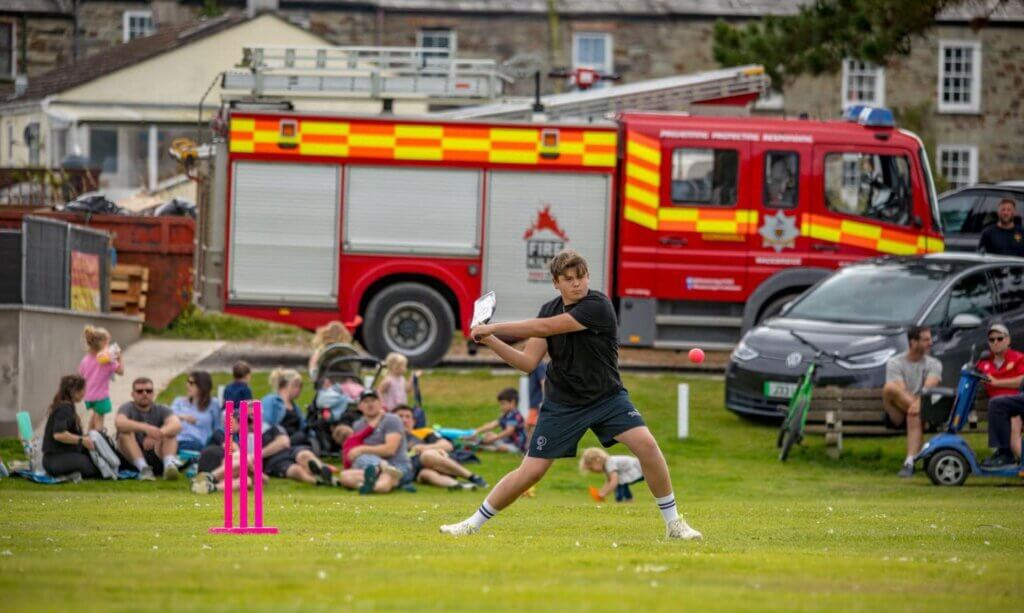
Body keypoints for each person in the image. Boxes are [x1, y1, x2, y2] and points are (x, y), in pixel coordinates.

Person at [440, 249, 702, 540]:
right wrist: (489, 339)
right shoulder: (549, 308)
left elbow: (546, 327)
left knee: (647, 446)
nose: (577, 284)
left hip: (607, 397)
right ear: (556, 283)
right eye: (568, 279)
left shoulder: (597, 305)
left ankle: (674, 524)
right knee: (530, 473)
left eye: (581, 277)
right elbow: (528, 362)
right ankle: (471, 525)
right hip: (562, 403)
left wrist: (494, 327)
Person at [882, 326, 942, 478]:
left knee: (914, 413)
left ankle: (909, 462)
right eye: (926, 339)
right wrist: (916, 404)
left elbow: (929, 386)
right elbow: (900, 391)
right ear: (913, 342)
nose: (930, 342)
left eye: (930, 338)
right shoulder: (895, 363)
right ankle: (917, 409)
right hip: (897, 413)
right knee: (889, 388)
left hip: (920, 412)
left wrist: (918, 404)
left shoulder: (934, 363)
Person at [394, 405, 487, 490]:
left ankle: (471, 476)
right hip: (416, 470)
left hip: (438, 462)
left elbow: (447, 445)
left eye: (407, 417)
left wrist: (425, 447)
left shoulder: (423, 433)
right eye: (400, 416)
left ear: (414, 421)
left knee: (427, 455)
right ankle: (461, 486)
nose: (404, 420)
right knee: (425, 474)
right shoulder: (390, 437)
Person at [340, 390, 411, 494]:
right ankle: (366, 485)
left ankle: (373, 486)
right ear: (360, 406)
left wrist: (362, 450)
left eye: (373, 400)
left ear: (380, 403)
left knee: (385, 480)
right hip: (370, 467)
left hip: (394, 466)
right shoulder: (358, 425)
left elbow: (390, 450)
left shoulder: (392, 419)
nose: (370, 404)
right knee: (345, 476)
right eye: (366, 401)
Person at [115, 377, 182, 480]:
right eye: (140, 391)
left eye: (148, 391)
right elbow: (119, 423)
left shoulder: (162, 409)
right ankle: (144, 469)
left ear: (153, 393)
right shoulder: (127, 407)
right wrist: (145, 428)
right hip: (132, 459)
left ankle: (169, 467)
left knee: (170, 433)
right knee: (125, 433)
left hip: (156, 454)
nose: (145, 394)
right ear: (133, 394)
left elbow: (177, 425)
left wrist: (157, 434)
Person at [975, 324, 1024, 461]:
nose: (995, 342)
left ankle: (1007, 455)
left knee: (1014, 440)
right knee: (998, 408)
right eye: (992, 340)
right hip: (994, 409)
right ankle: (1005, 455)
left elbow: (1022, 380)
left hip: (1015, 406)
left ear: (1008, 340)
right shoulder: (983, 363)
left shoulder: (1019, 358)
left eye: (999, 338)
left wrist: (996, 382)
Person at [42, 375, 102, 478]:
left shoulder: (65, 406)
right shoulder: (65, 408)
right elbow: (59, 434)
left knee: (99, 463)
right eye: (83, 390)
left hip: (53, 460)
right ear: (74, 391)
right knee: (99, 469)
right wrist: (82, 440)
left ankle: (71, 473)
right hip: (56, 460)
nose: (84, 393)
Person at [78, 325, 124, 433]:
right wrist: (119, 357)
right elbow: (121, 371)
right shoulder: (107, 361)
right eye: (107, 343)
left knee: (94, 417)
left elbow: (80, 375)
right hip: (101, 397)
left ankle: (86, 439)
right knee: (99, 425)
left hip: (88, 396)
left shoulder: (85, 359)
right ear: (102, 344)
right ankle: (99, 444)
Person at [171, 370, 223, 453]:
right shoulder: (179, 402)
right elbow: (168, 418)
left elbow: (218, 427)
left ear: (202, 386)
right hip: (176, 441)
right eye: (187, 382)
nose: (188, 385)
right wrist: (182, 417)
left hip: (198, 443)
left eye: (191, 383)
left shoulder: (213, 403)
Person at [472, 388, 527, 453]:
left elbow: (508, 431)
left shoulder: (514, 415)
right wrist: (477, 430)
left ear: (512, 402)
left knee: (501, 448)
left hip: (516, 445)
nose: (501, 406)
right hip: (506, 441)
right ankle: (477, 441)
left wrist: (494, 438)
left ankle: (485, 446)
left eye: (503, 403)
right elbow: (493, 424)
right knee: (488, 434)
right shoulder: (506, 414)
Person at [580, 447, 644, 503]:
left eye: (591, 467)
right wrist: (602, 491)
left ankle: (622, 501)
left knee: (620, 483)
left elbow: (614, 482)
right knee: (622, 483)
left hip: (640, 468)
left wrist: (604, 494)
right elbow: (608, 482)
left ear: (597, 460)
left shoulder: (609, 462)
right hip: (636, 469)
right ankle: (628, 500)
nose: (593, 471)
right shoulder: (607, 466)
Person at [262, 369, 307, 446]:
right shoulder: (271, 400)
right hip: (278, 438)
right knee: (302, 436)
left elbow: (304, 426)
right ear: (290, 385)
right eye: (299, 386)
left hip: (295, 438)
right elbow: (266, 423)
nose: (300, 390)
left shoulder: (295, 407)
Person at [526, 361, 547, 441]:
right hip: (533, 404)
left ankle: (532, 449)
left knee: (533, 427)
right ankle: (530, 448)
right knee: (528, 426)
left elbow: (543, 382)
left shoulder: (538, 365)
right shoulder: (533, 367)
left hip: (537, 403)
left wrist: (544, 400)